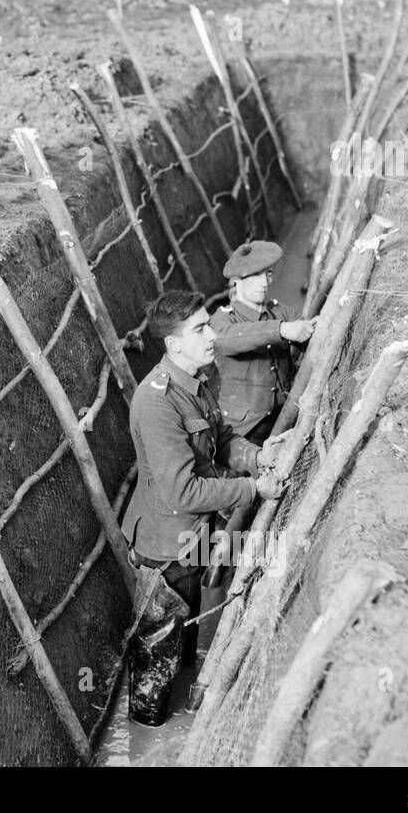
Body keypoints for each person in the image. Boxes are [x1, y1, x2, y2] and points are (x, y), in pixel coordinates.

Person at [123, 290, 290, 725]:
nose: (211, 335)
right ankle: (149, 736)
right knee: (153, 679)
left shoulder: (197, 382)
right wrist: (252, 490)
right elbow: (183, 492)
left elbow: (222, 441)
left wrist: (257, 457)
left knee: (187, 641)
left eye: (208, 324)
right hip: (165, 548)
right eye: (200, 329)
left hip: (194, 539)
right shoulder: (157, 401)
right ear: (174, 344)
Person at [210, 240, 317, 443]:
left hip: (284, 417)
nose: (264, 282)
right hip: (243, 430)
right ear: (237, 282)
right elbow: (225, 340)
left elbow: (308, 338)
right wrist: (281, 329)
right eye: (256, 276)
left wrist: (315, 327)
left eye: (268, 274)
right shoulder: (224, 318)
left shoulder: (280, 311)